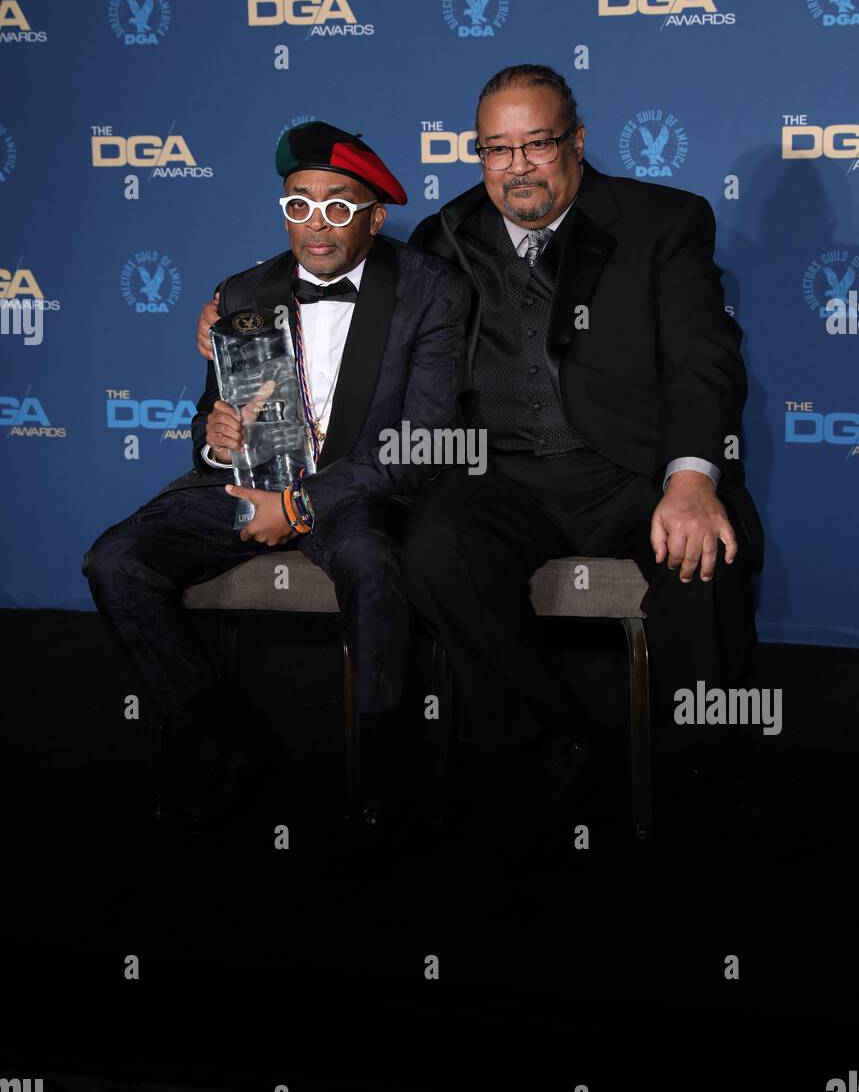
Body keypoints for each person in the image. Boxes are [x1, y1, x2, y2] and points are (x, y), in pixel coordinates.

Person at [83, 120, 470, 835]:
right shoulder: (242, 289)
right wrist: (218, 442)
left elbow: (419, 444)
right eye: (298, 204)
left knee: (375, 567)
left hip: (357, 491)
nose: (315, 226)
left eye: (337, 205)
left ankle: (384, 783)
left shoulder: (428, 291)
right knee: (116, 562)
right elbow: (209, 426)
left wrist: (296, 506)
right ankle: (230, 743)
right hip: (248, 482)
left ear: (375, 216)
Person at [401, 64, 764, 809]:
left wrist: (692, 478)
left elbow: (706, 357)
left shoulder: (663, 221)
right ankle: (554, 740)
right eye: (497, 150)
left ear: (577, 140)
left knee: (705, 554)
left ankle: (700, 772)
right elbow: (356, 288)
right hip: (499, 474)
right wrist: (237, 306)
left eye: (537, 144)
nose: (518, 167)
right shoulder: (447, 236)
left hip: (630, 469)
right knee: (434, 545)